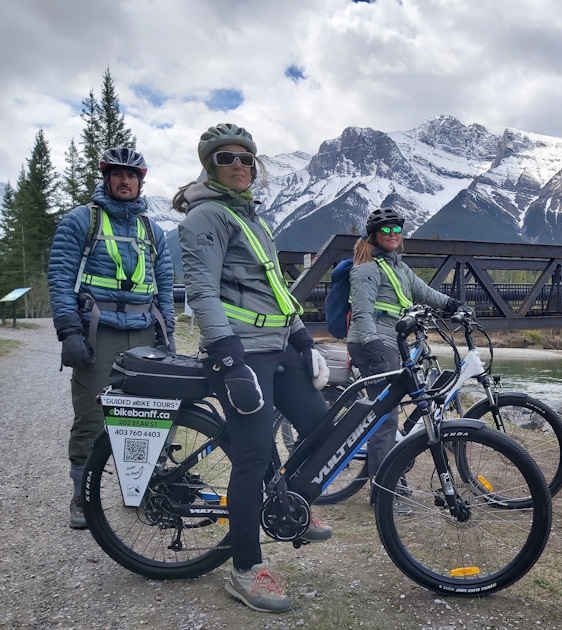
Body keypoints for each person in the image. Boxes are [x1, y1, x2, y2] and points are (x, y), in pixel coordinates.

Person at [175, 123, 332, 614]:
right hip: (240, 351)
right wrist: (227, 355)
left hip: (279, 344)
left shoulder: (252, 218)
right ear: (209, 165)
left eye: (247, 158)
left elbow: (277, 289)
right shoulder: (205, 218)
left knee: (321, 426)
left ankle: (285, 504)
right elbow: (200, 292)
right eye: (227, 158)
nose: (239, 165)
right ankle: (245, 570)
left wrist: (305, 339)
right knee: (249, 455)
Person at [48, 147, 176, 529]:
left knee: (151, 415)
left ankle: (145, 486)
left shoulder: (151, 230)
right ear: (107, 179)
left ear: (140, 183)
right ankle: (80, 494)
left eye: (132, 175)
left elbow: (164, 283)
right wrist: (68, 331)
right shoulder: (80, 221)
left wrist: (166, 331)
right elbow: (60, 276)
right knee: (90, 416)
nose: (125, 181)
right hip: (97, 331)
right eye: (118, 174)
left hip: (142, 330)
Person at [346, 207, 462, 511]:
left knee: (395, 412)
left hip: (390, 343)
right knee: (386, 420)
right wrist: (371, 343)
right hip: (374, 343)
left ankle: (391, 478)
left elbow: (424, 292)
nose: (392, 234)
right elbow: (362, 312)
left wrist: (453, 304)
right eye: (385, 230)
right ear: (373, 236)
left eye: (397, 229)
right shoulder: (366, 270)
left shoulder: (398, 267)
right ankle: (386, 494)